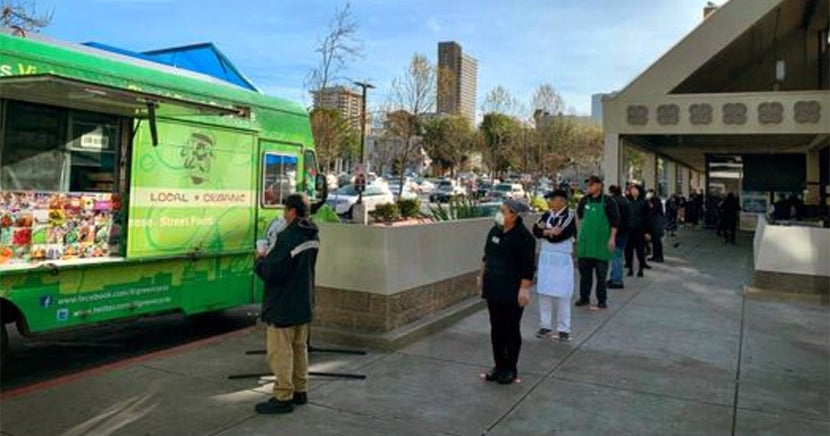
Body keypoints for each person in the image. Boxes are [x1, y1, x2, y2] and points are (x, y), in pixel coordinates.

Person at [254, 194, 320, 415]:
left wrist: (260, 258)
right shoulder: (312, 234)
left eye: (285, 210)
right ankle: (300, 391)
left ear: (292, 211)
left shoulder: (288, 237)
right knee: (299, 348)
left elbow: (273, 272)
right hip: (303, 301)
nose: (283, 214)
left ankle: (283, 396)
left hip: (284, 305)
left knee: (280, 352)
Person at [478, 198, 535, 384]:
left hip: (512, 290)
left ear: (514, 214)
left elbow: (528, 267)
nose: (500, 214)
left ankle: (511, 368)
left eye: (503, 211)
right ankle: (499, 365)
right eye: (500, 210)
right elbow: (487, 256)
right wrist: (481, 277)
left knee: (511, 328)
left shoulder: (524, 238)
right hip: (493, 286)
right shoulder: (495, 230)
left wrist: (524, 289)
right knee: (496, 328)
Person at [533, 190, 577, 341]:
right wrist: (549, 232)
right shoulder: (547, 215)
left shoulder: (569, 215)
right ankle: (545, 326)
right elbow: (535, 230)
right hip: (546, 258)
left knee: (563, 294)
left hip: (561, 259)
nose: (550, 202)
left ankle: (564, 329)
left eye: (552, 199)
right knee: (544, 292)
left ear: (562, 201)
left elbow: (561, 235)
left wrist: (546, 233)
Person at [575, 176, 619, 309]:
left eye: (592, 185)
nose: (589, 187)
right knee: (585, 274)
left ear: (599, 185)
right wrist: (579, 236)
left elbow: (615, 222)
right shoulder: (584, 200)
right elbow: (579, 218)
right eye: (588, 185)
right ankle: (584, 297)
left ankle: (601, 299)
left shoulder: (608, 201)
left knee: (601, 275)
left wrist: (612, 238)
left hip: (601, 243)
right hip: (586, 243)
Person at [607, 185, 629, 289]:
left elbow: (612, 219)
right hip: (625, 232)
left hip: (616, 232)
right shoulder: (625, 201)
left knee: (616, 257)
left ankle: (617, 280)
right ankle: (614, 277)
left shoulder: (613, 202)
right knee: (618, 255)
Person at [625, 184, 650, 277]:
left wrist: (647, 232)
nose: (634, 191)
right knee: (629, 250)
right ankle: (630, 268)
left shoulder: (644, 202)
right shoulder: (628, 202)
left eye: (636, 189)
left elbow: (648, 218)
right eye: (632, 190)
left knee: (640, 250)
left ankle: (640, 268)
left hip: (640, 230)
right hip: (630, 229)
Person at [648, 195, 665, 262]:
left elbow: (654, 221)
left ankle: (658, 257)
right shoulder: (659, 211)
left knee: (657, 243)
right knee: (656, 243)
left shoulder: (655, 212)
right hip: (658, 229)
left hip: (656, 229)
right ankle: (656, 256)